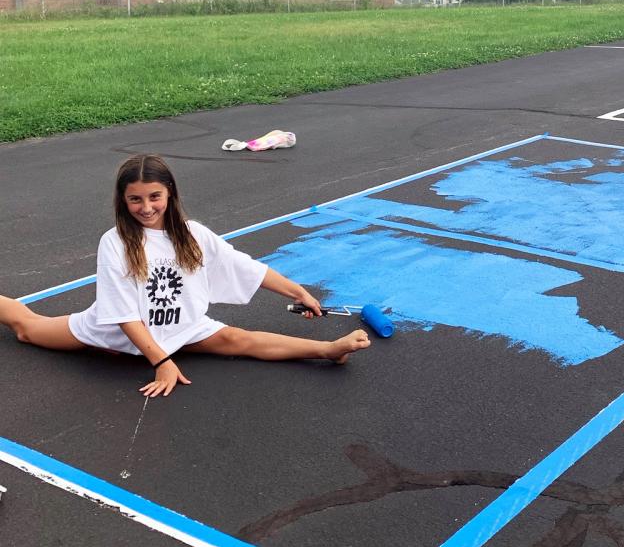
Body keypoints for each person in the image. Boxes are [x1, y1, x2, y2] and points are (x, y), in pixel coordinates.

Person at [0, 154, 370, 397]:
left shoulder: (193, 233)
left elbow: (243, 266)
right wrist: (161, 362)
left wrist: (296, 291)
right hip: (111, 333)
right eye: (135, 200)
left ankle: (329, 350)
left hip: (181, 328)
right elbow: (124, 314)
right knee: (27, 328)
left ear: (170, 193)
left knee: (241, 340)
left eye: (154, 197)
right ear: (122, 200)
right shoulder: (114, 242)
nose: (146, 208)